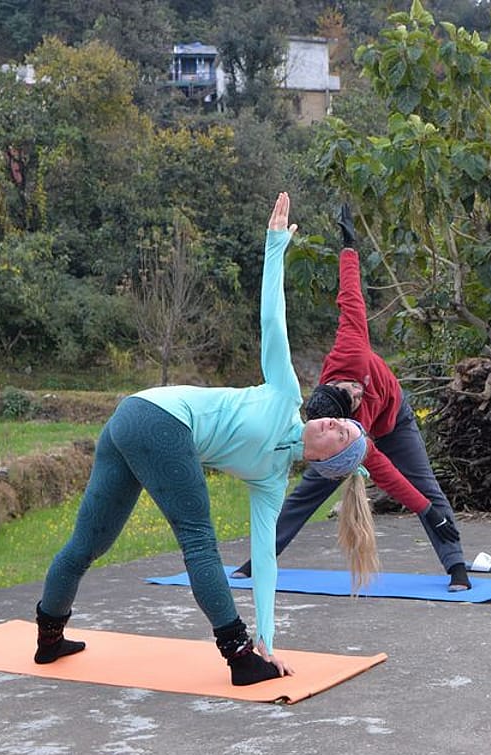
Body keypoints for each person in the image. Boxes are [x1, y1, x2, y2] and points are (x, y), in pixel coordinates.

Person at [34, 192, 375, 686]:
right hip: (157, 417)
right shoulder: (286, 395)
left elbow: (265, 561)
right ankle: (239, 659)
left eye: (340, 434)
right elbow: (272, 322)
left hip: (136, 423)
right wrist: (275, 245)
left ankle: (48, 636)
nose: (331, 423)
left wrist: (270, 640)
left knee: (92, 541)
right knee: (197, 537)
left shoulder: (271, 484)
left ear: (328, 461)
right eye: (338, 421)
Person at [232, 203, 473, 592]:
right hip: (357, 439)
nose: (357, 391)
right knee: (307, 492)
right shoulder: (343, 430)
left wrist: (349, 246)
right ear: (343, 420)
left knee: (427, 486)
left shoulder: (350, 349)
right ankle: (259, 559)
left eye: (352, 390)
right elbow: (382, 474)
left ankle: (457, 565)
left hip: (396, 421)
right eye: (352, 398)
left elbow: (351, 297)